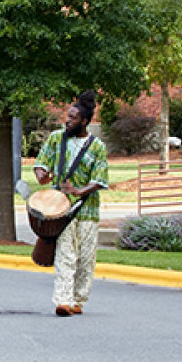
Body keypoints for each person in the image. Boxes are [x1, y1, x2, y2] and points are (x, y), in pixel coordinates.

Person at [34, 91, 109, 317]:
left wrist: (79, 191)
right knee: (65, 255)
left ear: (84, 121)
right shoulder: (57, 139)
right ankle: (63, 300)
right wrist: (41, 174)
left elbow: (100, 179)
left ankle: (78, 299)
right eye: (68, 116)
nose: (67, 121)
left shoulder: (97, 147)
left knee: (85, 259)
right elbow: (41, 162)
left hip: (87, 210)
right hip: (60, 210)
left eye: (73, 118)